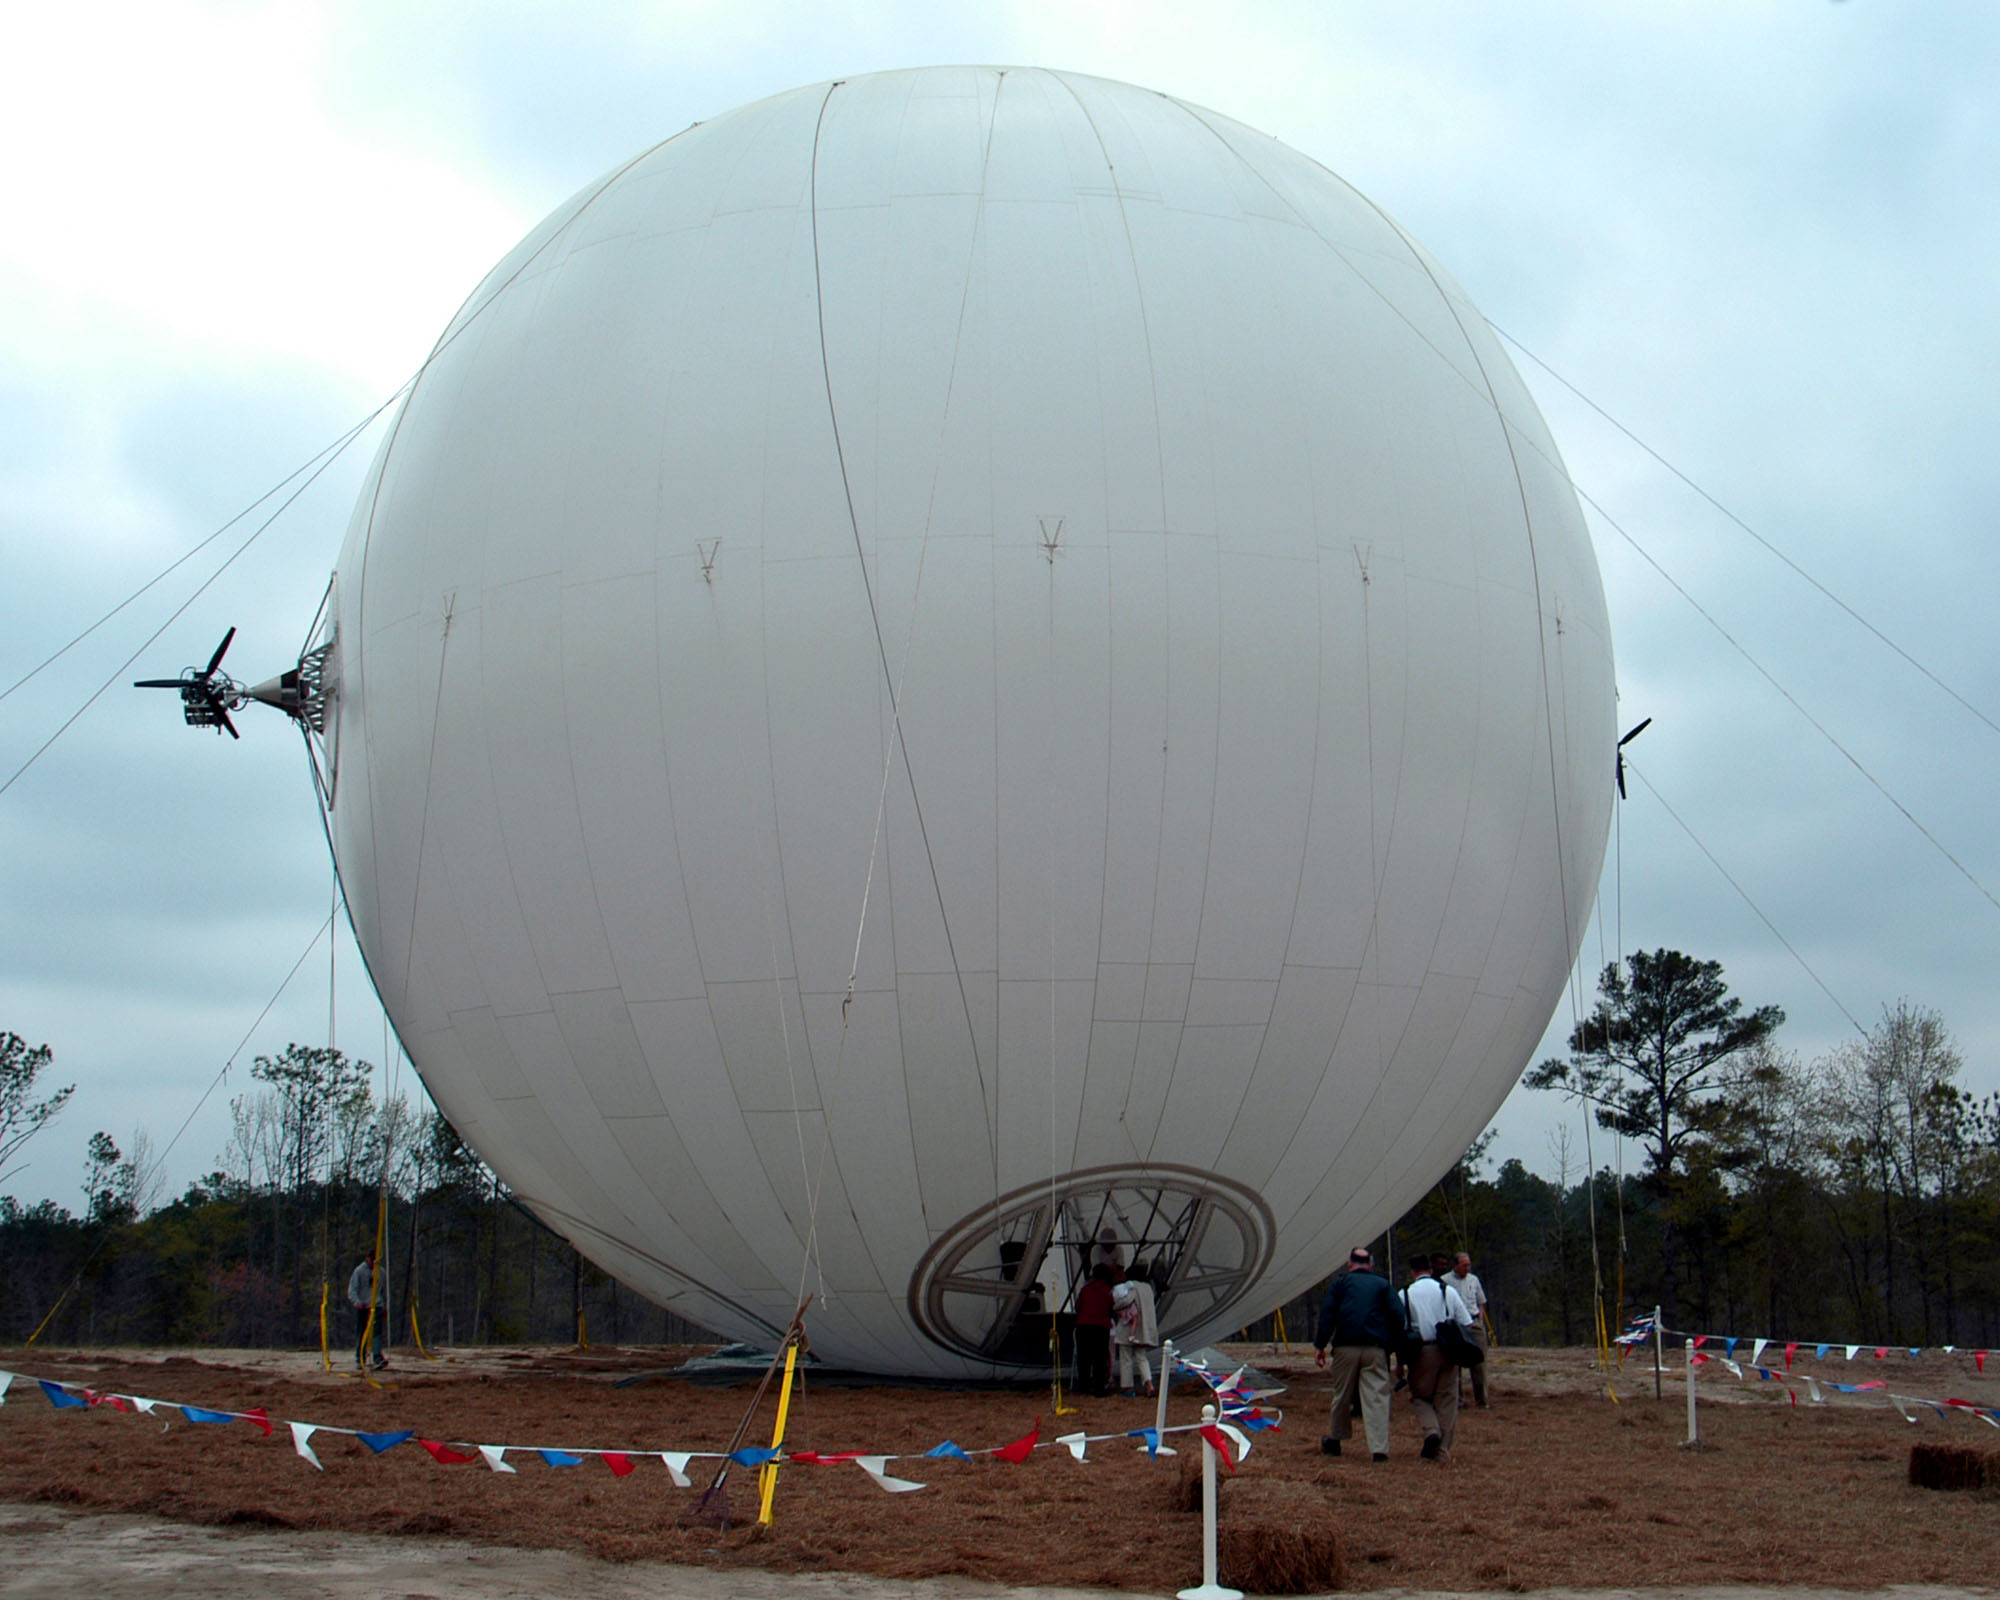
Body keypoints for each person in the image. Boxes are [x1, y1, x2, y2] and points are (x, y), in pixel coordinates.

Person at [1312, 1245, 1403, 1461]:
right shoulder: (1382, 1285)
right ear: (1370, 1265)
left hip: (1345, 1347)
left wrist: (1320, 1345)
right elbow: (1398, 1315)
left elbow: (1328, 1316)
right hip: (1375, 1348)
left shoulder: (1341, 1285)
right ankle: (1379, 1449)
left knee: (1342, 1394)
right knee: (1377, 1398)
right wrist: (1391, 1345)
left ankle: (1336, 1439)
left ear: (1350, 1264)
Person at [1398, 1252, 1473, 1459]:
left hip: (1422, 1350)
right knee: (1447, 1400)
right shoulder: (1447, 1290)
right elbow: (1466, 1321)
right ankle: (1443, 1450)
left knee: (1420, 1396)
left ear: (1412, 1272)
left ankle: (1431, 1431)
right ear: (1430, 1270)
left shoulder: (1405, 1294)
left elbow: (1399, 1328)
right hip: (1448, 1349)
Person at [1444, 1250, 1491, 1407]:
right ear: (1455, 1265)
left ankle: (1482, 1400)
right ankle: (1457, 1400)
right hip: (1456, 1325)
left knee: (1479, 1363)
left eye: (1469, 1265)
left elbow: (1481, 1302)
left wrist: (1480, 1321)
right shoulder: (1445, 1281)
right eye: (1464, 1265)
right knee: (1455, 1364)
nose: (1467, 1268)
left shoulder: (1474, 1280)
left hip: (1474, 1322)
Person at [1111, 1274, 1160, 1396]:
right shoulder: (1148, 1288)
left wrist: (1115, 1306)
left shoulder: (1132, 1287)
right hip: (1143, 1329)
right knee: (1142, 1358)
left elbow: (1125, 1301)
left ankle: (1128, 1387)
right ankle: (1149, 1385)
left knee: (1126, 1359)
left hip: (1127, 1329)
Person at [1074, 1263, 1116, 1396]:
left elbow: (1078, 1306)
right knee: (1099, 1358)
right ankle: (1099, 1388)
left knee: (1084, 1358)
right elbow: (1111, 1308)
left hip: (1083, 1326)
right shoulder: (1108, 1290)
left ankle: (1083, 1387)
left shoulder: (1086, 1289)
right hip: (1101, 1327)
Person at [347, 1253, 387, 1370]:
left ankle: (377, 1357)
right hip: (363, 1307)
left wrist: (385, 1307)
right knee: (362, 1333)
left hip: (377, 1306)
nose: (373, 1263)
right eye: (372, 1260)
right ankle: (360, 1358)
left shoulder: (381, 1272)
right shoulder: (359, 1271)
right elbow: (352, 1289)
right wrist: (357, 1302)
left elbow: (384, 1291)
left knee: (377, 1333)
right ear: (367, 1259)